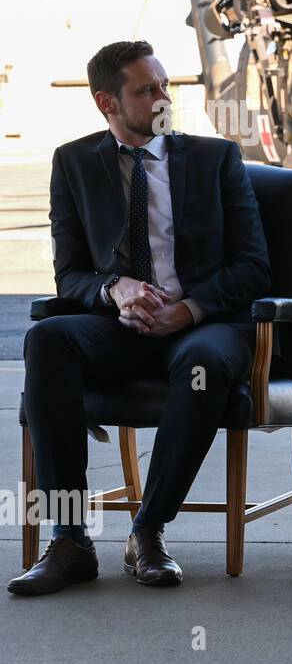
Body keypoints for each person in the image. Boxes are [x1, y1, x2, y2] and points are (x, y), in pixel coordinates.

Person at [10, 40, 270, 595]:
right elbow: (71, 276)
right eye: (146, 90)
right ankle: (71, 539)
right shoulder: (74, 162)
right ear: (107, 102)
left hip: (203, 325)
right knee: (49, 340)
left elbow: (254, 268)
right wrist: (115, 288)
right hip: (121, 328)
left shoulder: (214, 158)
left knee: (202, 363)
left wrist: (188, 309)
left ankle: (148, 531)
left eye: (164, 86)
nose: (162, 99)